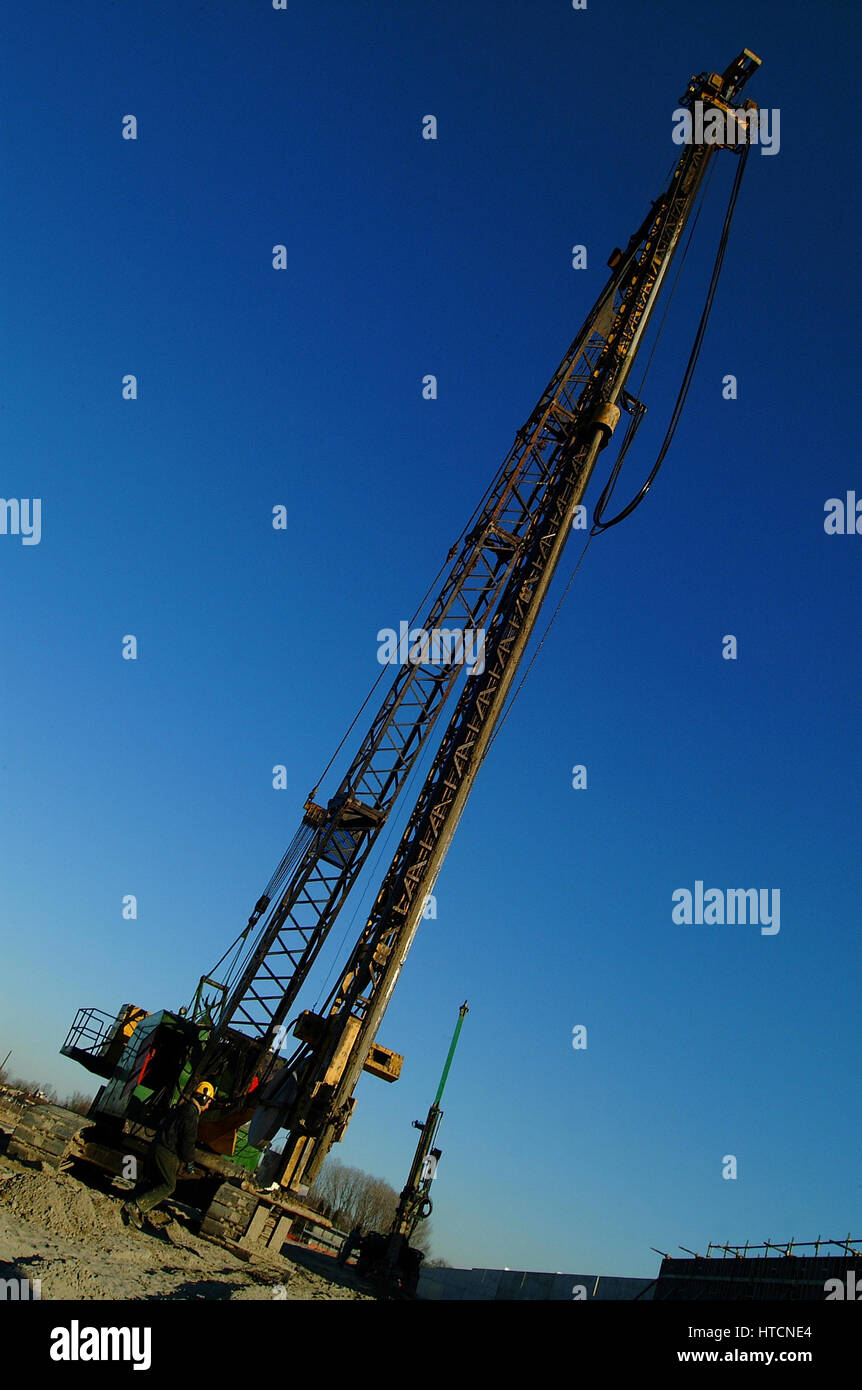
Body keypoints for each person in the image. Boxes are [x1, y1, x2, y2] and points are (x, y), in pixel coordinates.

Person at [121, 1081, 214, 1228]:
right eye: (209, 1102)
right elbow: (188, 1141)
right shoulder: (191, 1114)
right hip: (166, 1151)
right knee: (168, 1185)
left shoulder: (183, 1108)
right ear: (203, 1098)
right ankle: (136, 1207)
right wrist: (189, 1161)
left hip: (156, 1146)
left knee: (148, 1180)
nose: (208, 1106)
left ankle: (128, 1208)